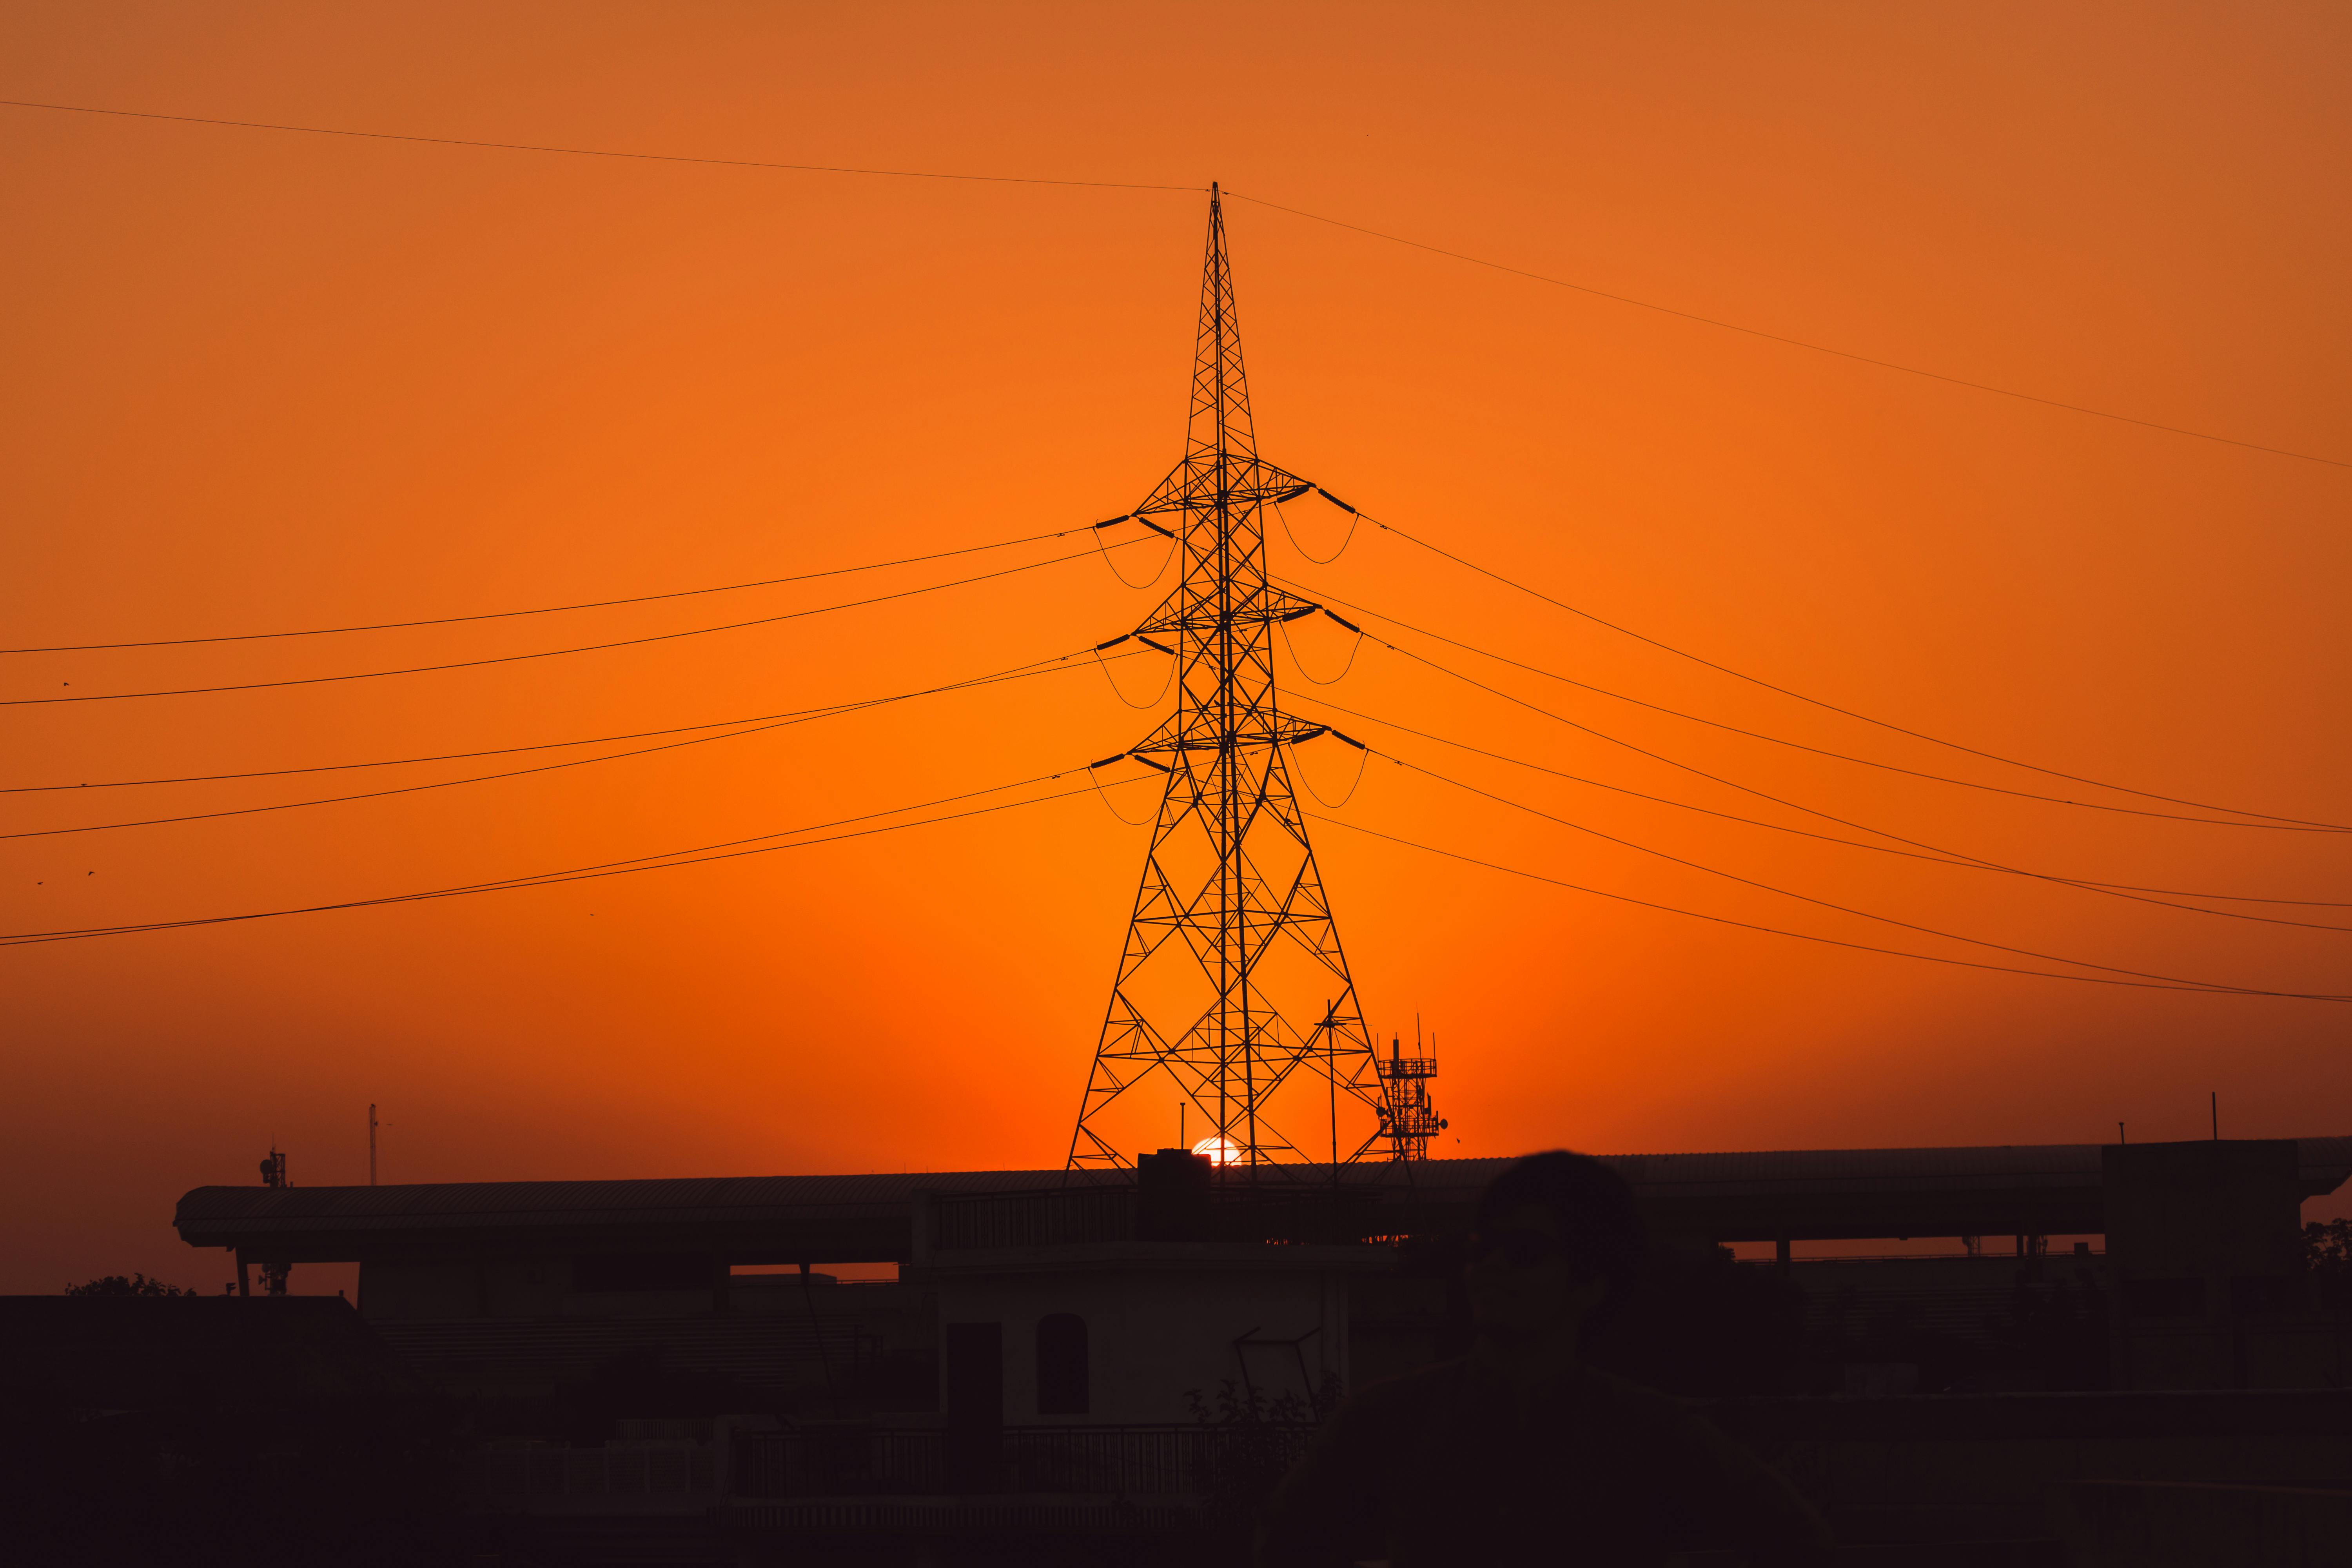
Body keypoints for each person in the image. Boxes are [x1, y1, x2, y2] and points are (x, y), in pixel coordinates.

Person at [1256, 1151, 1833, 1566]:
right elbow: (1286, 1547)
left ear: (1590, 1284)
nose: (1491, 1268)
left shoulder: (1648, 1434)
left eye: (1525, 1253)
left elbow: (1794, 1540)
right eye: (1482, 1249)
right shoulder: (1382, 1424)